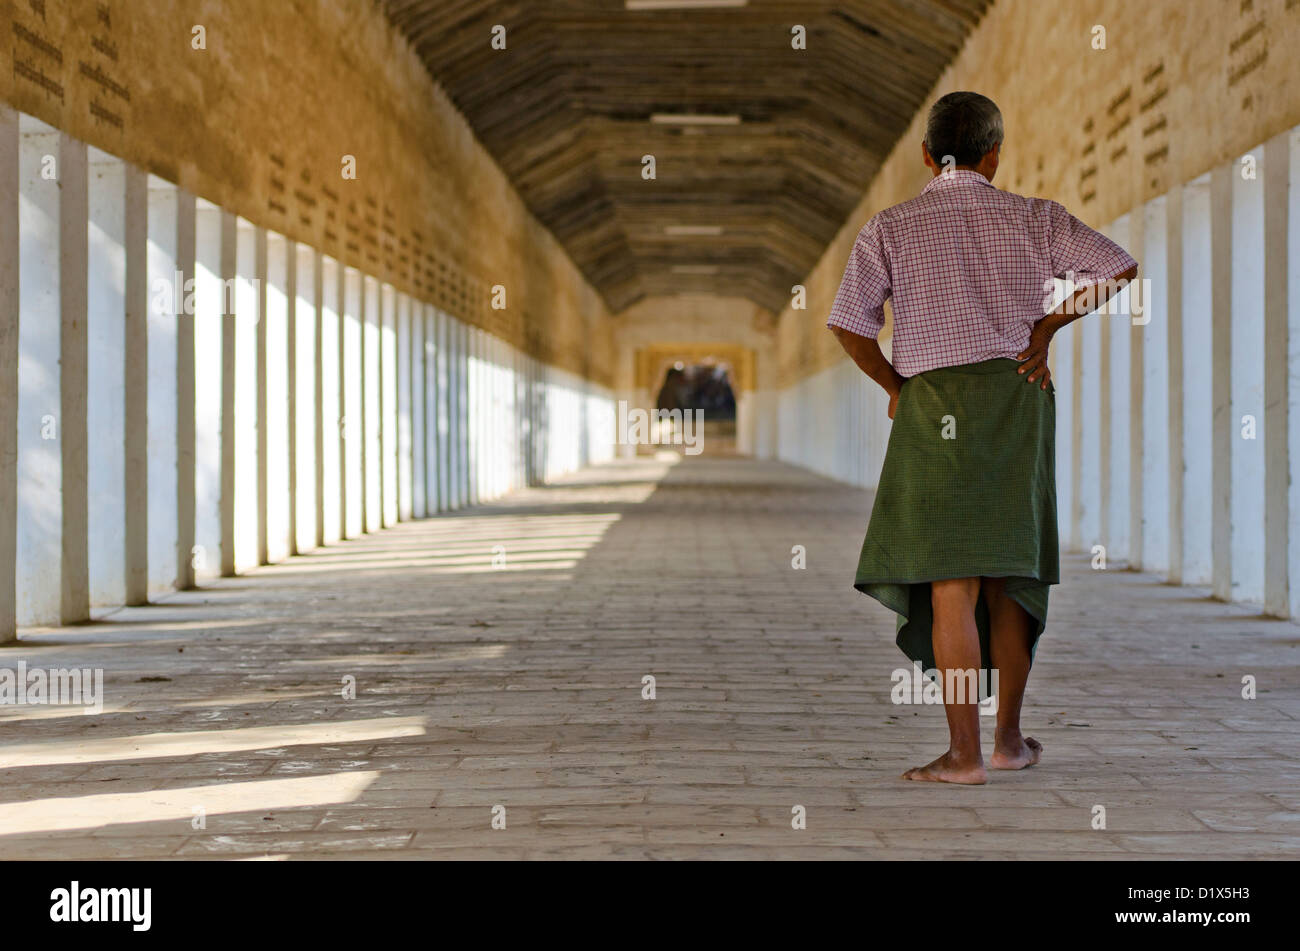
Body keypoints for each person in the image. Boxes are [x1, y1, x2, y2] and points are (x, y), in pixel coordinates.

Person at [826, 91, 1138, 785]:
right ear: (993, 154)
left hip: (932, 403)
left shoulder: (891, 226)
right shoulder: (1034, 216)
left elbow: (850, 322)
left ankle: (962, 755)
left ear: (926, 155)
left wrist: (896, 388)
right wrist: (1047, 327)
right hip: (1015, 397)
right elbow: (1118, 266)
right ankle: (1010, 741)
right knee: (1009, 575)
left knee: (950, 583)